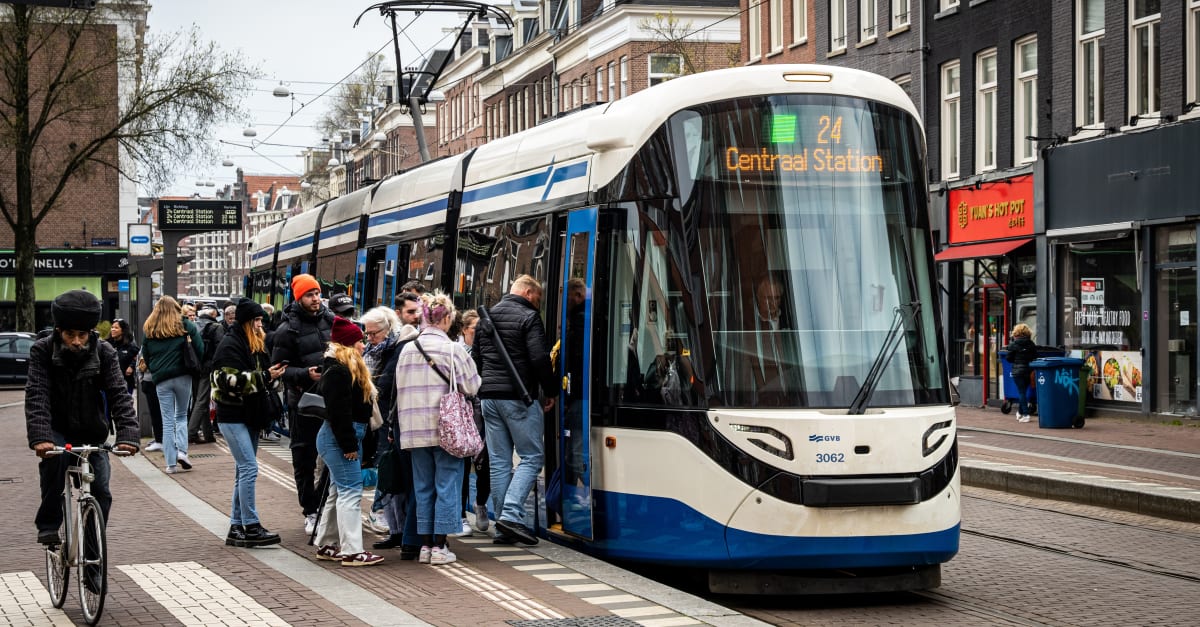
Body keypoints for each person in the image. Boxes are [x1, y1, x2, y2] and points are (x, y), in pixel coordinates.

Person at [27, 290, 140, 545]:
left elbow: (119, 395)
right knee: (55, 464)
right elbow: (37, 395)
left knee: (101, 489)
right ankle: (48, 524)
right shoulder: (42, 351)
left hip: (91, 429)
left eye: (82, 335)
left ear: (90, 332)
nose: (77, 341)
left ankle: (92, 553)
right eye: (70, 335)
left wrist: (128, 435)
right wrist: (41, 437)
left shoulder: (105, 352)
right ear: (59, 331)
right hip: (56, 428)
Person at [395, 292, 481, 564]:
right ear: (446, 318)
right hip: (447, 429)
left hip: (413, 429)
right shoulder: (453, 349)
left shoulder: (408, 349)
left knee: (423, 487)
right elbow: (472, 386)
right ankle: (440, 547)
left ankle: (424, 546)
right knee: (447, 484)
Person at [474, 275, 557, 546]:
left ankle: (502, 528)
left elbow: (476, 359)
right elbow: (538, 358)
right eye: (538, 298)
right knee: (532, 456)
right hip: (518, 397)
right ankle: (510, 514)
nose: (538, 303)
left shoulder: (487, 317)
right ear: (529, 292)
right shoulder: (529, 317)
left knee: (499, 462)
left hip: (488, 397)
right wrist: (551, 390)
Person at [211, 298, 287, 548]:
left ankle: (237, 526)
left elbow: (262, 378)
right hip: (232, 415)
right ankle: (251, 526)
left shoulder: (256, 345)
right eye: (255, 321)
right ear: (246, 322)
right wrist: (266, 376)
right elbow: (225, 380)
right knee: (249, 468)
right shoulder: (230, 345)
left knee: (243, 470)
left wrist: (272, 376)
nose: (259, 325)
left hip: (251, 414)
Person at [312, 316, 384, 566]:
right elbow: (338, 413)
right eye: (358, 341)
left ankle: (327, 543)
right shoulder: (339, 371)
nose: (363, 345)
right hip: (341, 438)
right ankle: (352, 550)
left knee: (338, 491)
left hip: (341, 437)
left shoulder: (339, 368)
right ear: (347, 345)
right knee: (351, 492)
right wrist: (350, 446)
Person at [271, 274, 335, 534]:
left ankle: (322, 504)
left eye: (318, 293)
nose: (316, 299)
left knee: (334, 456)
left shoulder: (331, 321)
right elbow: (278, 369)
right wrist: (303, 374)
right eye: (310, 295)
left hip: (332, 399)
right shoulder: (289, 329)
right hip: (304, 402)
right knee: (304, 456)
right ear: (299, 297)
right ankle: (309, 510)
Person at [141, 296, 204, 474]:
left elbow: (145, 354)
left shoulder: (149, 328)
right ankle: (182, 452)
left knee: (167, 420)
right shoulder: (186, 325)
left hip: (161, 379)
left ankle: (170, 464)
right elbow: (200, 349)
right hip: (183, 374)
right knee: (181, 415)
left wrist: (156, 369)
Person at [456, 309, 491, 535]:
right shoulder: (458, 352)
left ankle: (480, 503)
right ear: (464, 330)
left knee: (484, 465)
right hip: (462, 414)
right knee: (461, 466)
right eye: (475, 330)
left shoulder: (487, 351)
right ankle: (460, 515)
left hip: (483, 413)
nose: (479, 335)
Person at [188, 306, 225, 444]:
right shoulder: (216, 327)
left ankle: (208, 434)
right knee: (202, 400)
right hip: (208, 367)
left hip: (194, 367)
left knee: (199, 399)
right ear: (213, 314)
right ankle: (190, 433)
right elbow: (221, 349)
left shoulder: (194, 325)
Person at [1005, 323, 1038, 423]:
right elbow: (1035, 356)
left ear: (1016, 332)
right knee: (1023, 392)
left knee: (1021, 392)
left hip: (1018, 372)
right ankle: (1020, 412)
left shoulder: (1013, 345)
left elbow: (1008, 358)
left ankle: (1026, 414)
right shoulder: (1031, 344)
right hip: (1029, 370)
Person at [106, 318, 139, 394]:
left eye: (116, 328)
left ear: (123, 330)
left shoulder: (130, 346)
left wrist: (132, 366)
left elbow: (140, 356)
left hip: (126, 383)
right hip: (109, 383)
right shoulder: (107, 344)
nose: (113, 329)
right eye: (112, 327)